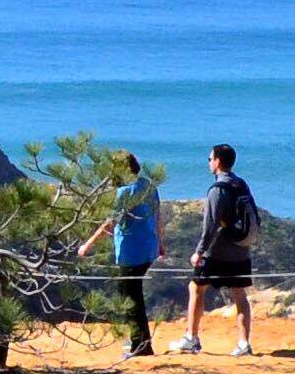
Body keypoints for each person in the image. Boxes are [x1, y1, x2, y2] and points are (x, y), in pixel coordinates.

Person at [174, 142, 262, 355]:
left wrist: (199, 251)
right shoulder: (241, 184)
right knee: (239, 295)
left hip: (217, 253)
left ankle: (192, 338)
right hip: (241, 250)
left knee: (196, 288)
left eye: (210, 158)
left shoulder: (217, 190)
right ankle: (244, 344)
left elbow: (210, 225)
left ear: (218, 162)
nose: (209, 162)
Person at [79, 155, 164, 357]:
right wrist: (161, 243)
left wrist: (87, 245)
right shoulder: (148, 185)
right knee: (134, 295)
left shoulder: (123, 192)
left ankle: (141, 346)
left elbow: (110, 224)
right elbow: (158, 215)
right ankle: (140, 340)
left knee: (130, 297)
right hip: (148, 247)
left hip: (131, 251)